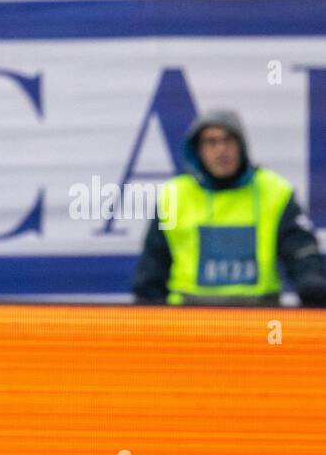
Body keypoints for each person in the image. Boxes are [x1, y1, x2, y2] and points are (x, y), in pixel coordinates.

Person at [133, 110, 326, 307]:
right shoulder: (173, 196)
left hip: (258, 318)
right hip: (188, 320)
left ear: (241, 146)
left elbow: (303, 255)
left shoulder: (275, 192)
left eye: (228, 140)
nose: (221, 150)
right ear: (198, 149)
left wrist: (313, 286)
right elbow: (152, 272)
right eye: (211, 142)